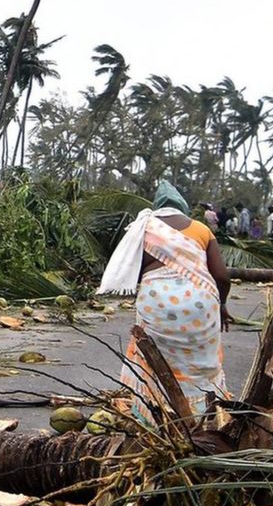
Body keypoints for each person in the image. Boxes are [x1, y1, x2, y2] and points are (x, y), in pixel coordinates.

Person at [97, 179, 232, 419]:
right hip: (201, 303)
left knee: (154, 358)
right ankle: (205, 413)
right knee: (201, 363)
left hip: (157, 300)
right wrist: (221, 305)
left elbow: (131, 269)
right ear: (182, 208)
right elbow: (221, 276)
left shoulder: (143, 228)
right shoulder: (202, 229)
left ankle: (154, 414)